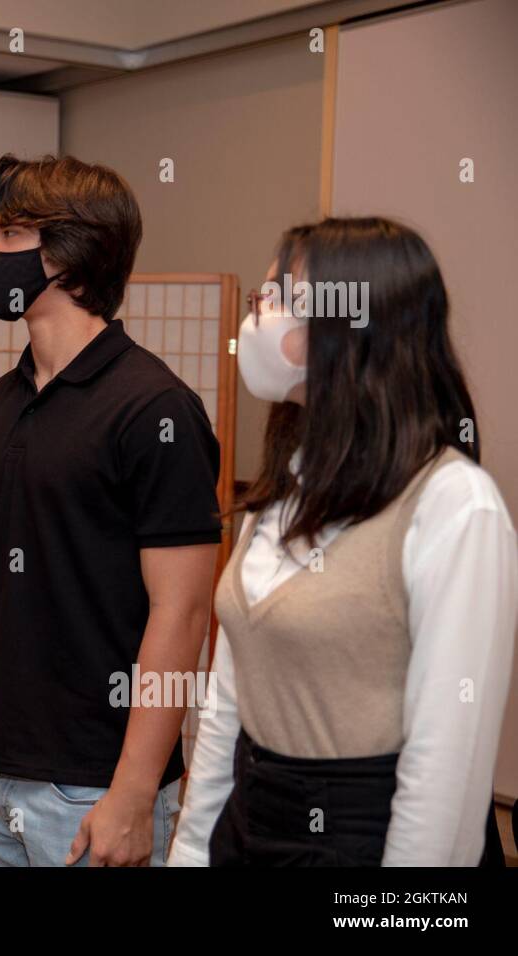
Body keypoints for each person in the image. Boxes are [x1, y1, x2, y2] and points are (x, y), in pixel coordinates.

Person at [169, 217, 517, 866]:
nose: (257, 319)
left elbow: (445, 767)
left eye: (279, 300)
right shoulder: (281, 493)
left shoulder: (454, 505)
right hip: (251, 824)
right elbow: (226, 708)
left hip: (362, 839)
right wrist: (189, 852)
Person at [0, 154, 223, 867]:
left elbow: (183, 614)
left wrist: (132, 792)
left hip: (92, 787)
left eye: (7, 234)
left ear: (69, 254)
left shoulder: (156, 410)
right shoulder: (2, 403)